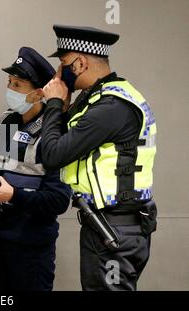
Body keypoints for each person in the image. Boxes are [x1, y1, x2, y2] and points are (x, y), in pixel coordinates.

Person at [41, 25, 158, 290]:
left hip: (114, 229)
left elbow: (51, 154)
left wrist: (54, 103)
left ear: (80, 63)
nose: (58, 75)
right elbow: (59, 141)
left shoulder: (110, 107)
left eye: (63, 65)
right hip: (111, 225)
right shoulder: (100, 98)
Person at [0, 47, 71, 291]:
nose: (10, 89)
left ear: (38, 94)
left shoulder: (54, 133)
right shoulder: (6, 121)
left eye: (17, 85)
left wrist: (14, 195)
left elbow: (59, 200)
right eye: (9, 82)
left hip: (30, 248)